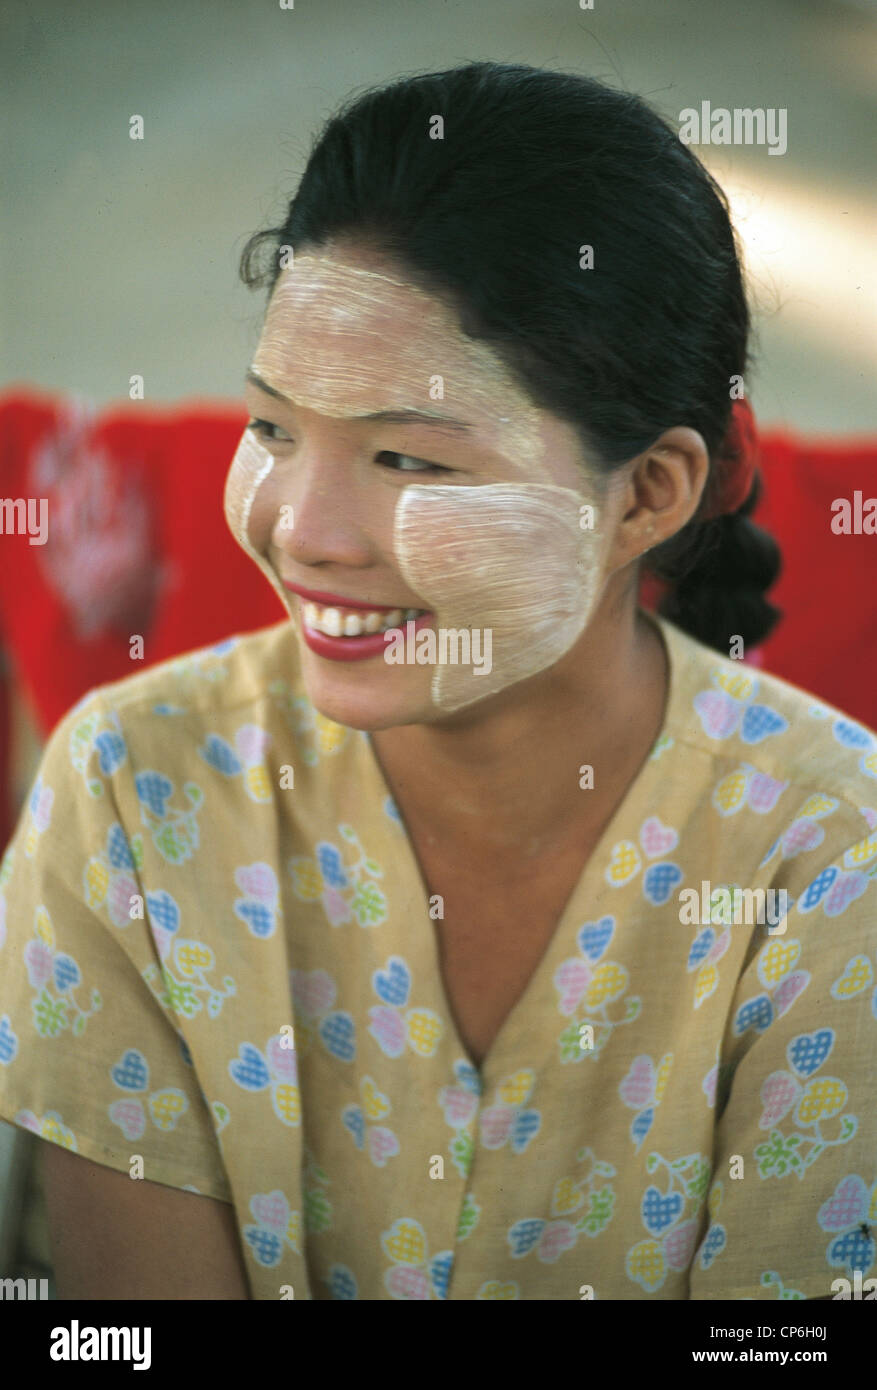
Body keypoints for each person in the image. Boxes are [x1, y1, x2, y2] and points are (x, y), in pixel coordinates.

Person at [1, 60, 875, 1302]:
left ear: (648, 494)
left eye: (407, 455)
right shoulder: (133, 796)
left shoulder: (833, 862)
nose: (305, 530)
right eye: (272, 428)